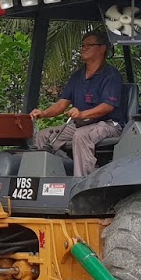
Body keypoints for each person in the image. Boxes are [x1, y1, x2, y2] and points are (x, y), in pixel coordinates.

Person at [29, 32, 127, 176]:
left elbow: (108, 106)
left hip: (109, 125)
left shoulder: (111, 75)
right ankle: (45, 180)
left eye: (89, 45)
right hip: (82, 125)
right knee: (43, 136)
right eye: (83, 45)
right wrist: (43, 113)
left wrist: (82, 114)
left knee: (81, 135)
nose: (84, 48)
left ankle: (81, 183)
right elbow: (62, 104)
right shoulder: (77, 76)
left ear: (102, 48)